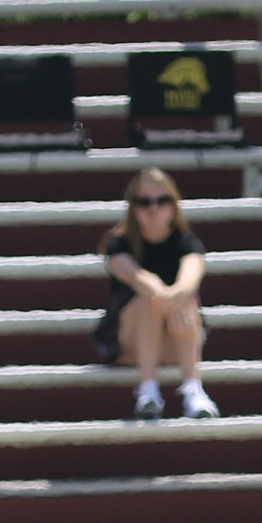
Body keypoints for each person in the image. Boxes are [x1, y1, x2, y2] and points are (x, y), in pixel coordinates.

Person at [97, 167, 219, 419]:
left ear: (174, 205)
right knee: (148, 299)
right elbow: (137, 277)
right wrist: (170, 299)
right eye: (144, 202)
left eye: (162, 201)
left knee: (186, 301)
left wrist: (177, 298)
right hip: (129, 343)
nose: (153, 208)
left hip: (175, 338)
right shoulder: (118, 243)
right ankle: (148, 391)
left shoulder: (186, 242)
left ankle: (194, 391)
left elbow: (190, 277)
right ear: (133, 207)